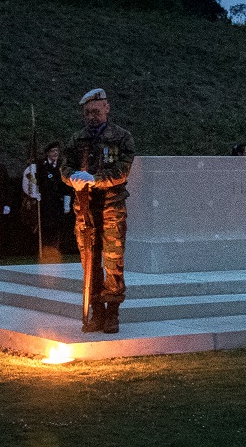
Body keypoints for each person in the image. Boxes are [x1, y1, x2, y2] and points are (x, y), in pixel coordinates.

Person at [65, 87, 135, 334]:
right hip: (85, 208)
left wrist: (94, 179)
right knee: (89, 261)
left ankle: (113, 312)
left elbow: (121, 172)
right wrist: (72, 178)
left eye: (95, 111)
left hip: (111, 207)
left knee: (113, 260)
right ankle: (97, 311)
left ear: (107, 107)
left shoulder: (122, 138)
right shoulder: (77, 139)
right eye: (87, 113)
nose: (91, 116)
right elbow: (66, 168)